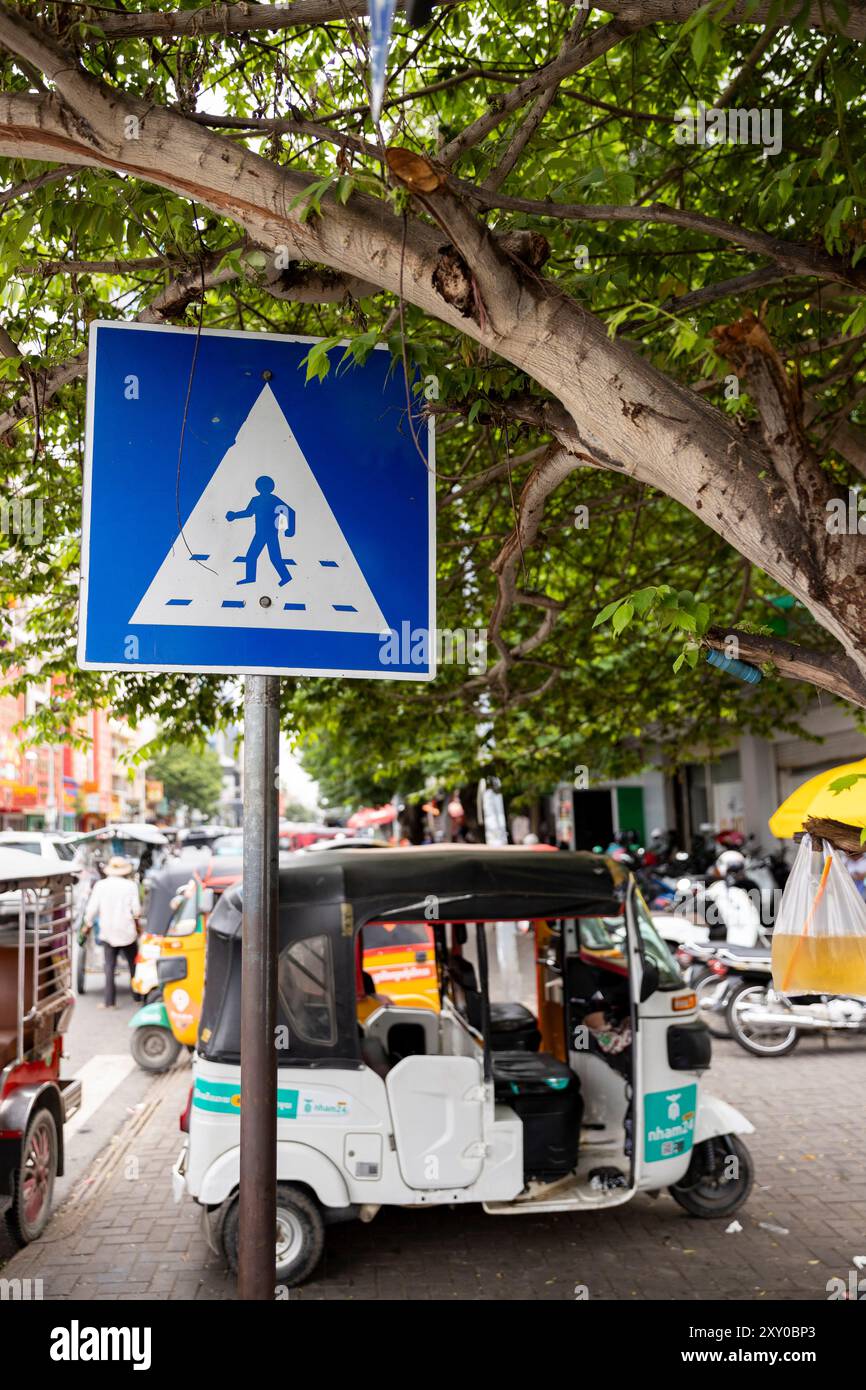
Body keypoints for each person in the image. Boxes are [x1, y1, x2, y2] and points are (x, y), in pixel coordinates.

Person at [82, 855, 141, 1009]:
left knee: (109, 966)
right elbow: (136, 910)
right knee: (134, 964)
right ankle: (137, 996)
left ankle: (110, 1002)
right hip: (127, 931)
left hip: (108, 930)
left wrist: (87, 925)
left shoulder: (101, 885)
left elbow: (92, 909)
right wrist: (138, 926)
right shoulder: (131, 886)